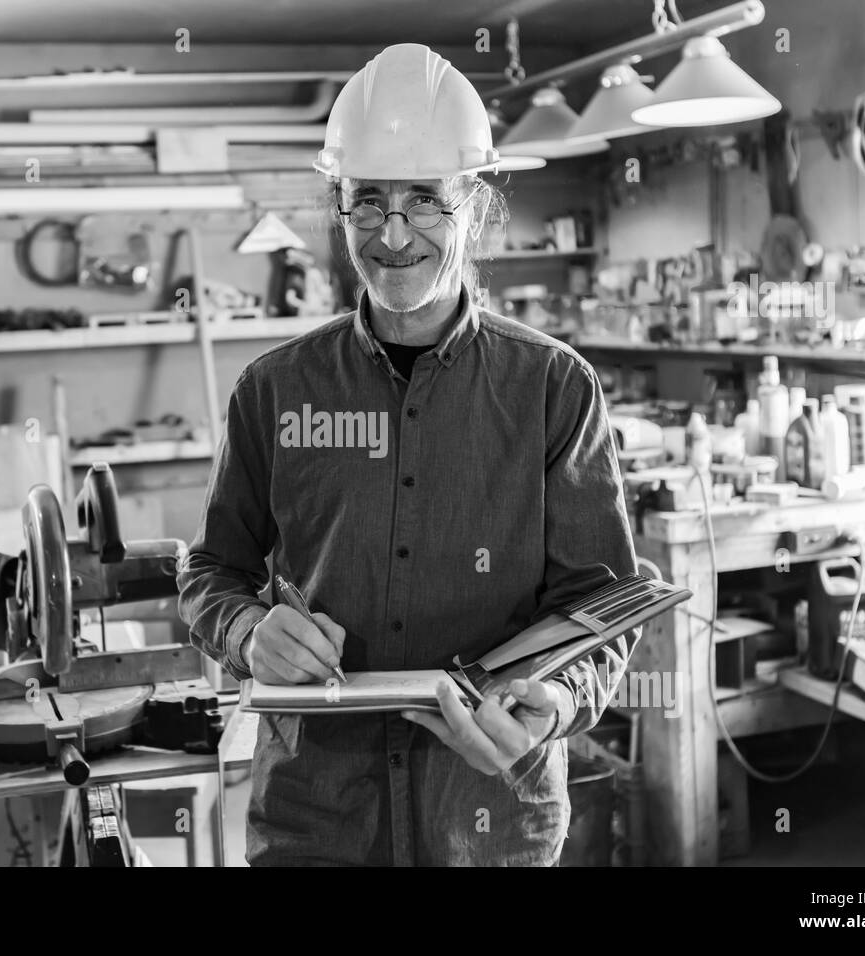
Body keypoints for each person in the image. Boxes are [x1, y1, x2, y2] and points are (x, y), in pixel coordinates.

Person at [177, 43, 638, 866]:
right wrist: (248, 632)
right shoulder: (272, 391)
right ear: (339, 206)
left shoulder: (554, 389)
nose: (393, 235)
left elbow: (599, 608)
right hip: (316, 819)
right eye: (367, 202)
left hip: (490, 816)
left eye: (425, 199)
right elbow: (211, 570)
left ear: (476, 203)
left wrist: (556, 698)